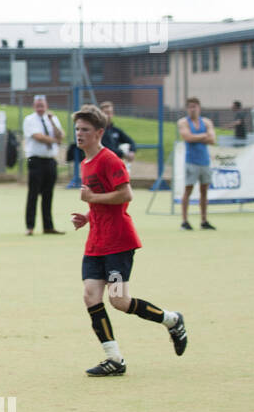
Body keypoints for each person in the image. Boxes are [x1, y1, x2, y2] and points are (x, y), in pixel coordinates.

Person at [69, 104, 187, 376]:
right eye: (77, 129)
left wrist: (92, 199)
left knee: (120, 301)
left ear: (100, 132)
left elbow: (126, 195)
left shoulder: (110, 160)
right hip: (96, 241)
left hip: (119, 240)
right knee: (90, 296)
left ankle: (172, 321)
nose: (79, 134)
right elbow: (102, 199)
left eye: (85, 130)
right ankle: (114, 359)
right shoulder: (86, 163)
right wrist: (88, 216)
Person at [23, 95, 65, 236]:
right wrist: (54, 140)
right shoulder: (30, 120)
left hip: (50, 160)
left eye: (42, 105)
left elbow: (61, 135)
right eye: (38, 105)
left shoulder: (52, 119)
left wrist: (52, 122)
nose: (40, 108)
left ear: (46, 106)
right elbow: (38, 137)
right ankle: (30, 226)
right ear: (34, 106)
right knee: (33, 194)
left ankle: (48, 226)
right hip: (35, 160)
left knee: (48, 194)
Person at [176, 97, 217, 231]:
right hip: (191, 161)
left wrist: (198, 137)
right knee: (188, 190)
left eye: (195, 106)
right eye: (190, 106)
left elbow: (212, 139)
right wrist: (203, 136)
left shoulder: (206, 122)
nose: (193, 109)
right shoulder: (183, 122)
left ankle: (204, 220)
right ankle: (184, 220)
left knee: (204, 191)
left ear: (199, 107)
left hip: (204, 161)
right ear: (187, 108)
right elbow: (187, 137)